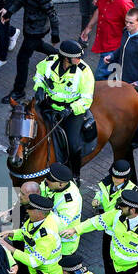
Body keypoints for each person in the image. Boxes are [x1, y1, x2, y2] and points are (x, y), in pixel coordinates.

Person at [32, 40, 97, 178]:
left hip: (71, 113)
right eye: (76, 57)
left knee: (73, 145)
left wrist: (71, 109)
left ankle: (74, 175)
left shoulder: (84, 73)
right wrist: (39, 88)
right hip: (48, 105)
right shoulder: (49, 62)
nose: (79, 60)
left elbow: (86, 100)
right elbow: (39, 74)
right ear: (65, 58)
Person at [6, 0, 63, 101]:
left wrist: (55, 34)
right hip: (29, 27)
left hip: (36, 30)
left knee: (22, 58)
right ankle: (60, 56)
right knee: (38, 46)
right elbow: (20, 0)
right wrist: (9, 13)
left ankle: (19, 91)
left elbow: (52, 13)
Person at [82, 0, 134, 70]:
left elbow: (132, 28)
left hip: (114, 47)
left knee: (101, 76)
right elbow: (99, 9)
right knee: (109, 77)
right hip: (104, 41)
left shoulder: (124, 3)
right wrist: (89, 27)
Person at [98, 7, 138, 88]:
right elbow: (123, 47)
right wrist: (112, 56)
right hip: (119, 78)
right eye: (126, 21)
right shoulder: (126, 31)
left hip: (132, 84)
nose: (127, 25)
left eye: (131, 23)